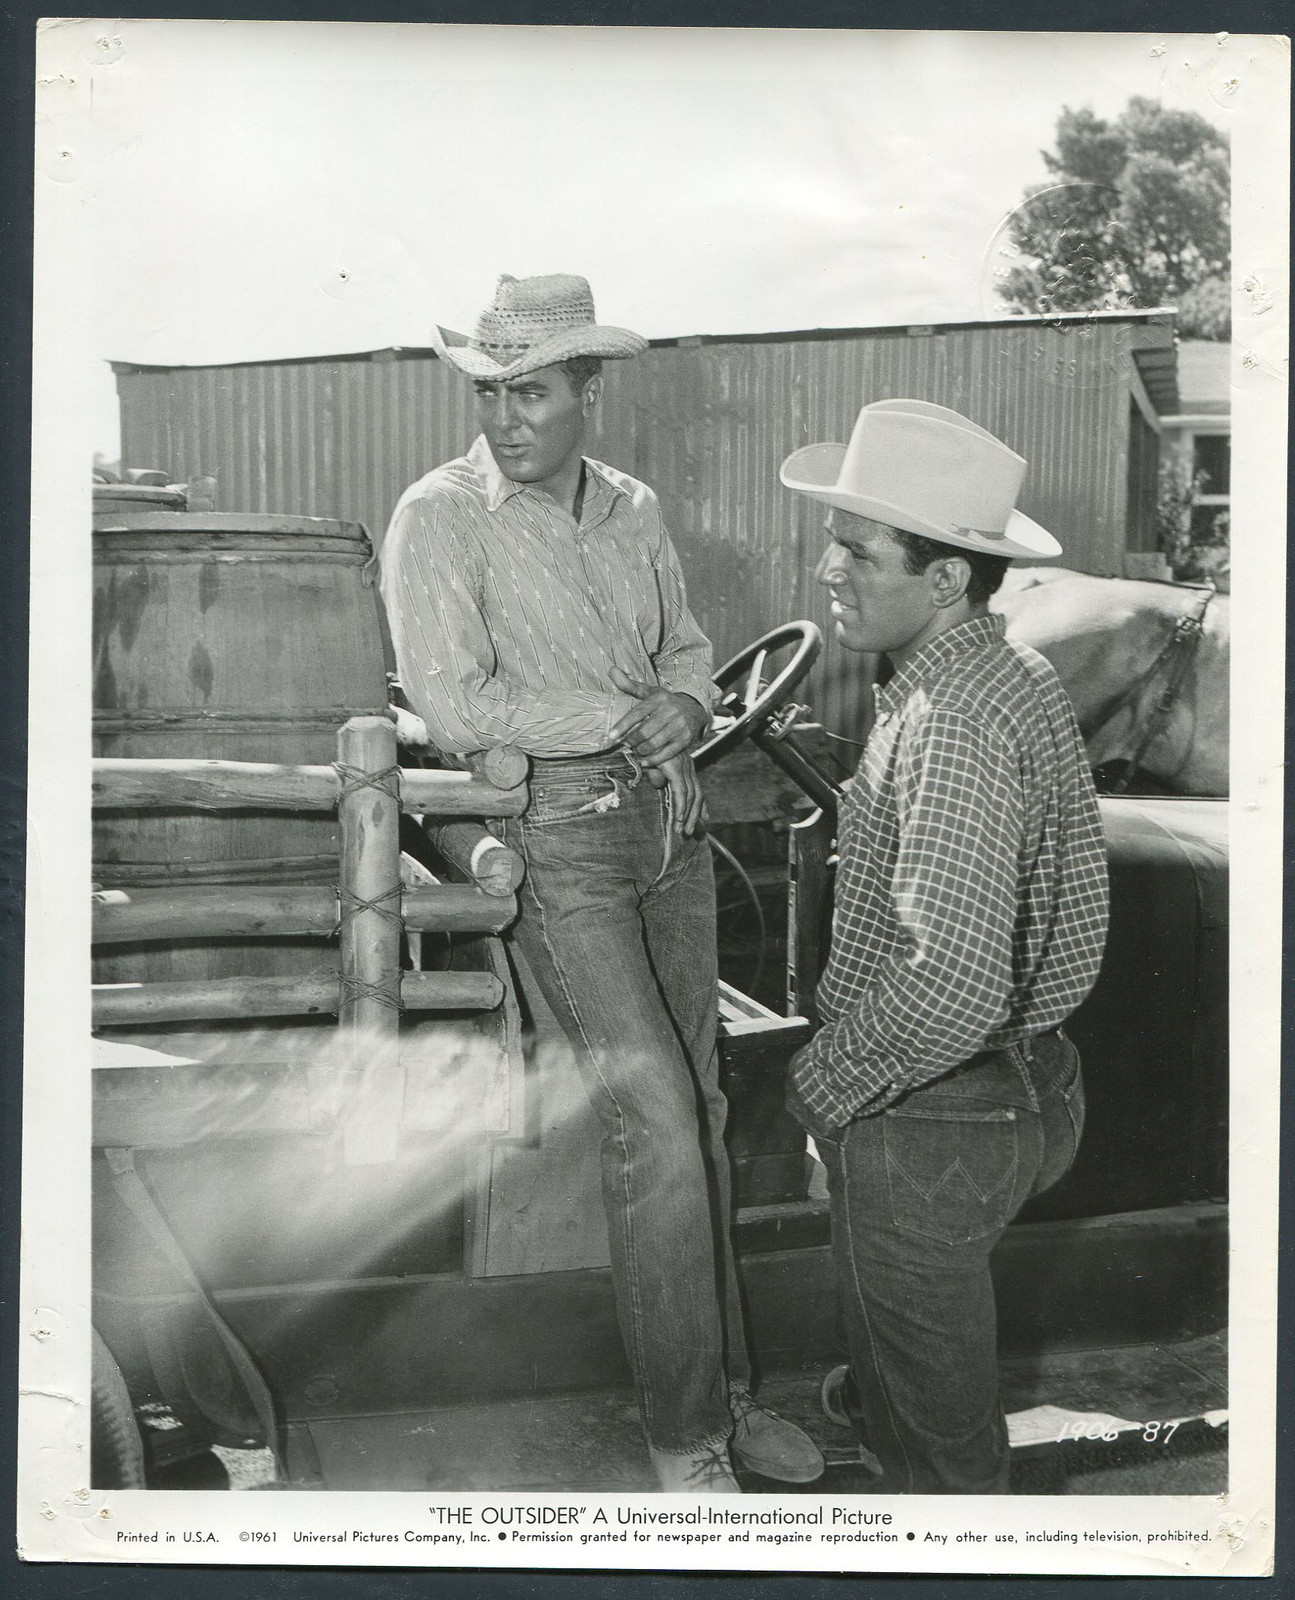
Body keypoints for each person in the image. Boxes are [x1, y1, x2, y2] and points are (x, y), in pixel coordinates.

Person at [380, 273, 822, 1492]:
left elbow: (683, 645)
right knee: (658, 1123)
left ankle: (729, 1404)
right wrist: (628, 716)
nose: (503, 415)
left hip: (668, 835)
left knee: (709, 1112)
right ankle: (685, 1440)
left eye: (529, 389)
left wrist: (683, 697)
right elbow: (455, 702)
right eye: (488, 390)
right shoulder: (439, 516)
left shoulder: (632, 507)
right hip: (557, 844)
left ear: (587, 389)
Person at [778, 399, 1110, 1494]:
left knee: (947, 1471)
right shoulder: (1005, 673)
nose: (828, 567)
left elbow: (954, 977)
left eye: (856, 549)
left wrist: (822, 1083)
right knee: (912, 1372)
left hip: (933, 1120)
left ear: (946, 579)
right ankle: (884, 1392)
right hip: (1024, 1084)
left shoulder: (948, 722)